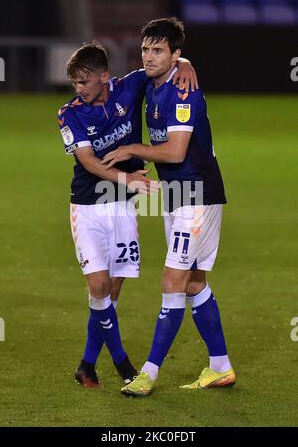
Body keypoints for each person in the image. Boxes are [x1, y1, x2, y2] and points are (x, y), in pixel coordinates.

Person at [102, 17, 236, 396]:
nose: (148, 56)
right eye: (146, 48)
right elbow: (154, 70)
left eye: (158, 50)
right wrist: (184, 59)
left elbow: (176, 151)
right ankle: (220, 366)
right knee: (194, 282)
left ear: (174, 55)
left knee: (171, 280)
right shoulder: (154, 79)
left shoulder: (182, 92)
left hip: (197, 194)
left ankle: (148, 373)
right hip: (177, 195)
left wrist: (130, 149)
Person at [57, 42, 197, 388]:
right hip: (88, 205)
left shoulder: (130, 86)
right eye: (74, 83)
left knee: (114, 286)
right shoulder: (69, 113)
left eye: (84, 83)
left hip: (121, 204)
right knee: (99, 285)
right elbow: (88, 161)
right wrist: (128, 179)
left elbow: (163, 66)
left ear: (105, 77)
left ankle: (87, 365)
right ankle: (122, 363)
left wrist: (187, 63)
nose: (79, 90)